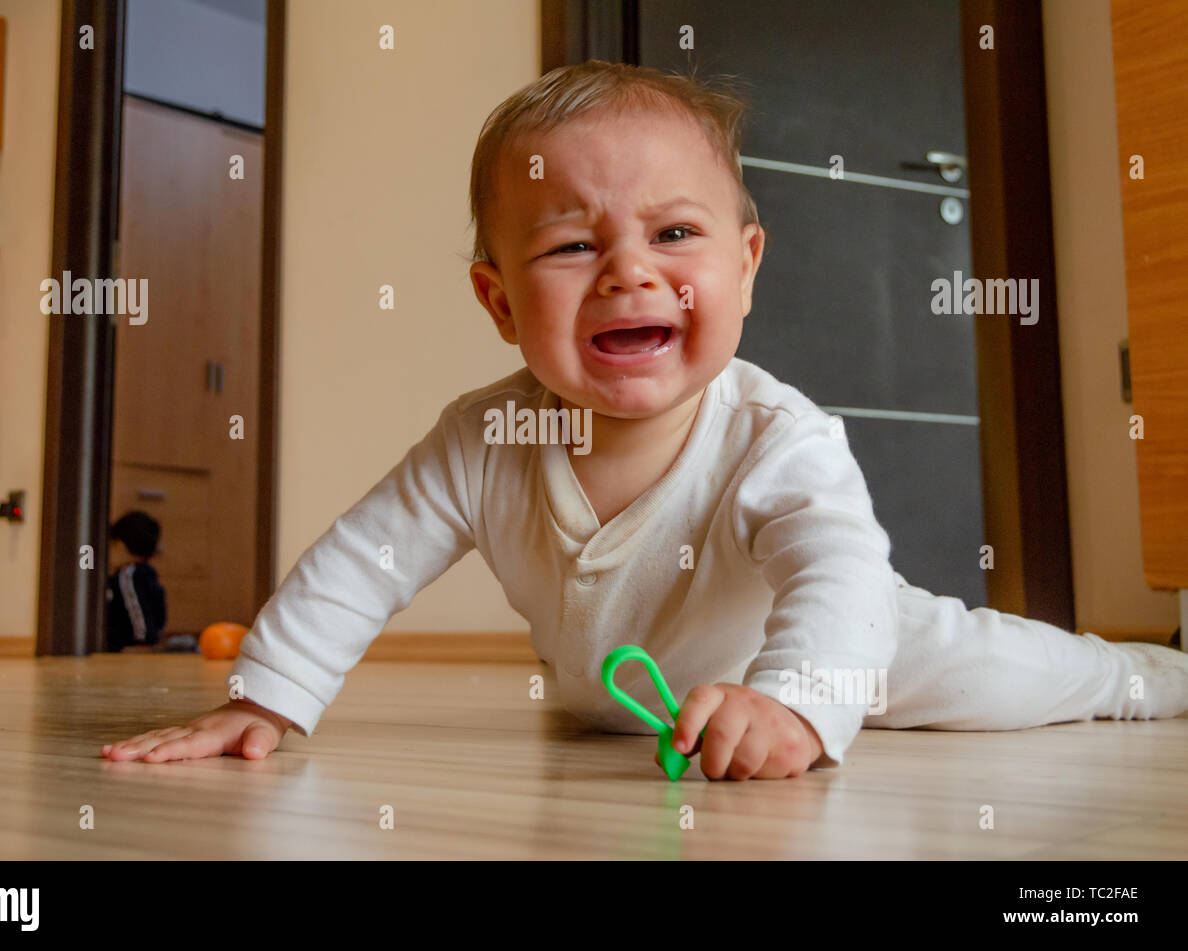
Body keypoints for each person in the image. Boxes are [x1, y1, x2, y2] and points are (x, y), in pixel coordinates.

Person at [103, 61, 1188, 778]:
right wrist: (270, 700)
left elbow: (838, 576)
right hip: (633, 705)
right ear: (497, 302)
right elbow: (363, 559)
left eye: (674, 234)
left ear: (745, 268)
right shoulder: (482, 442)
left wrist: (798, 707)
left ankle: (1149, 676)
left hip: (863, 650)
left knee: (1011, 676)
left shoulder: (774, 434)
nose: (629, 271)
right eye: (572, 246)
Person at [105, 510, 167, 652]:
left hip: (131, 644)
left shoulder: (127, 575)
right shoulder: (147, 572)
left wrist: (143, 641)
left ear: (120, 546)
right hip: (147, 638)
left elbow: (137, 610)